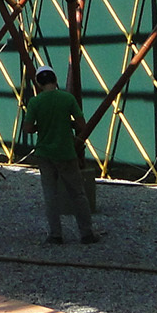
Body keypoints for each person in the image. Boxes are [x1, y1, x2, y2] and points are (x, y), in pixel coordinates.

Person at [26, 66, 100, 244]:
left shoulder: (35, 102)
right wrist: (68, 125)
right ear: (55, 80)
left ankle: (55, 235)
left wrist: (41, 127)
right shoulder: (67, 98)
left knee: (50, 195)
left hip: (45, 153)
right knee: (78, 194)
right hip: (66, 152)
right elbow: (82, 125)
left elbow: (28, 128)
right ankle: (86, 233)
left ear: (38, 82)